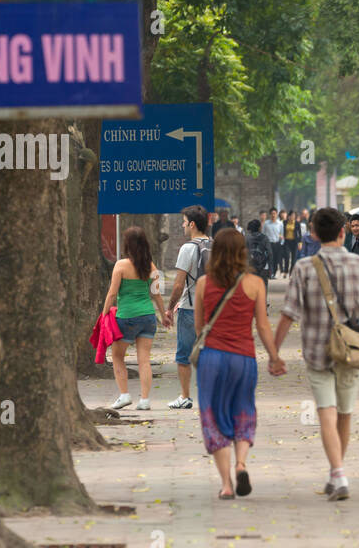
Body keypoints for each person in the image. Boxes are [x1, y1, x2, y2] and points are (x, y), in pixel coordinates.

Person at [275, 208, 359, 501]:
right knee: (345, 414)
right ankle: (338, 472)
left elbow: (288, 314)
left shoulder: (303, 268)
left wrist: (274, 353)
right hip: (352, 349)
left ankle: (338, 473)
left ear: (312, 234)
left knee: (326, 411)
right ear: (343, 232)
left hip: (317, 350)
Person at [194, 229, 285, 499]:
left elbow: (199, 327)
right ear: (242, 251)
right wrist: (274, 356)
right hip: (244, 358)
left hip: (212, 358)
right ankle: (241, 464)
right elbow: (263, 326)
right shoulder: (255, 283)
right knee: (243, 409)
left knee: (213, 415)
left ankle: (225, 485)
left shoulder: (203, 284)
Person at [102, 226, 168, 411]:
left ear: (127, 244)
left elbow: (112, 294)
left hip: (126, 317)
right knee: (144, 360)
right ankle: (145, 400)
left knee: (117, 356)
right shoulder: (152, 266)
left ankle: (124, 395)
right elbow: (157, 295)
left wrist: (104, 314)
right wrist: (163, 317)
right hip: (148, 317)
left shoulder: (120, 265)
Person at [166, 206, 212, 410]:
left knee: (184, 355)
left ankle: (185, 397)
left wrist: (169, 308)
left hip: (190, 309)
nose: (183, 225)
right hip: (212, 309)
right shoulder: (215, 245)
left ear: (192, 224)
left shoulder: (188, 248)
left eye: (184, 222)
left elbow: (178, 284)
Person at [244, 219, 272, 288]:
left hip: (251, 267)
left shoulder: (247, 238)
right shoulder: (265, 238)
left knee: (251, 288)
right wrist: (270, 268)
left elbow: (244, 253)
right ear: (259, 227)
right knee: (263, 286)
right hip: (263, 266)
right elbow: (270, 253)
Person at [262, 208, 283, 272]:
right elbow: (263, 234)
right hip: (269, 244)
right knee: (270, 259)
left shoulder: (280, 224)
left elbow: (282, 234)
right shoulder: (266, 223)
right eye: (272, 214)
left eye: (274, 214)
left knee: (276, 259)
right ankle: (271, 273)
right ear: (270, 215)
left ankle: (274, 271)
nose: (273, 215)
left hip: (277, 243)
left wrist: (281, 243)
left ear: (277, 214)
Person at [282, 210, 300, 274]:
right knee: (287, 257)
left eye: (294, 215)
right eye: (292, 215)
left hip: (294, 242)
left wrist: (300, 243)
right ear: (289, 216)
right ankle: (286, 270)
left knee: (294, 259)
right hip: (287, 242)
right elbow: (281, 230)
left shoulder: (297, 223)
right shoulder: (284, 222)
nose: (293, 217)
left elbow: (299, 233)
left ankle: (291, 272)